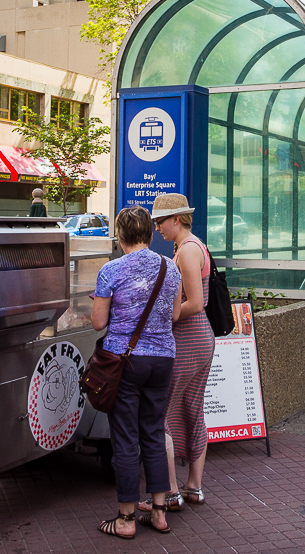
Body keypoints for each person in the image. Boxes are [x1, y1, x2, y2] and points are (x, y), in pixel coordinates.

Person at [91, 206, 182, 539]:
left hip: (125, 362)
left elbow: (99, 322)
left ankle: (126, 518)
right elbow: (173, 316)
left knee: (126, 439)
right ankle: (158, 512)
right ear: (148, 232)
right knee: (154, 433)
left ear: (120, 234)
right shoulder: (170, 268)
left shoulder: (111, 270)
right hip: (163, 360)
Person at [139, 193, 215, 513]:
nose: (157, 228)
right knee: (193, 409)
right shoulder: (196, 245)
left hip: (187, 340)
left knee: (161, 413)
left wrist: (164, 316)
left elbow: (196, 303)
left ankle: (170, 493)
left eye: (160, 222)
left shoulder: (186, 251)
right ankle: (194, 488)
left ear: (177, 219)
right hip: (203, 339)